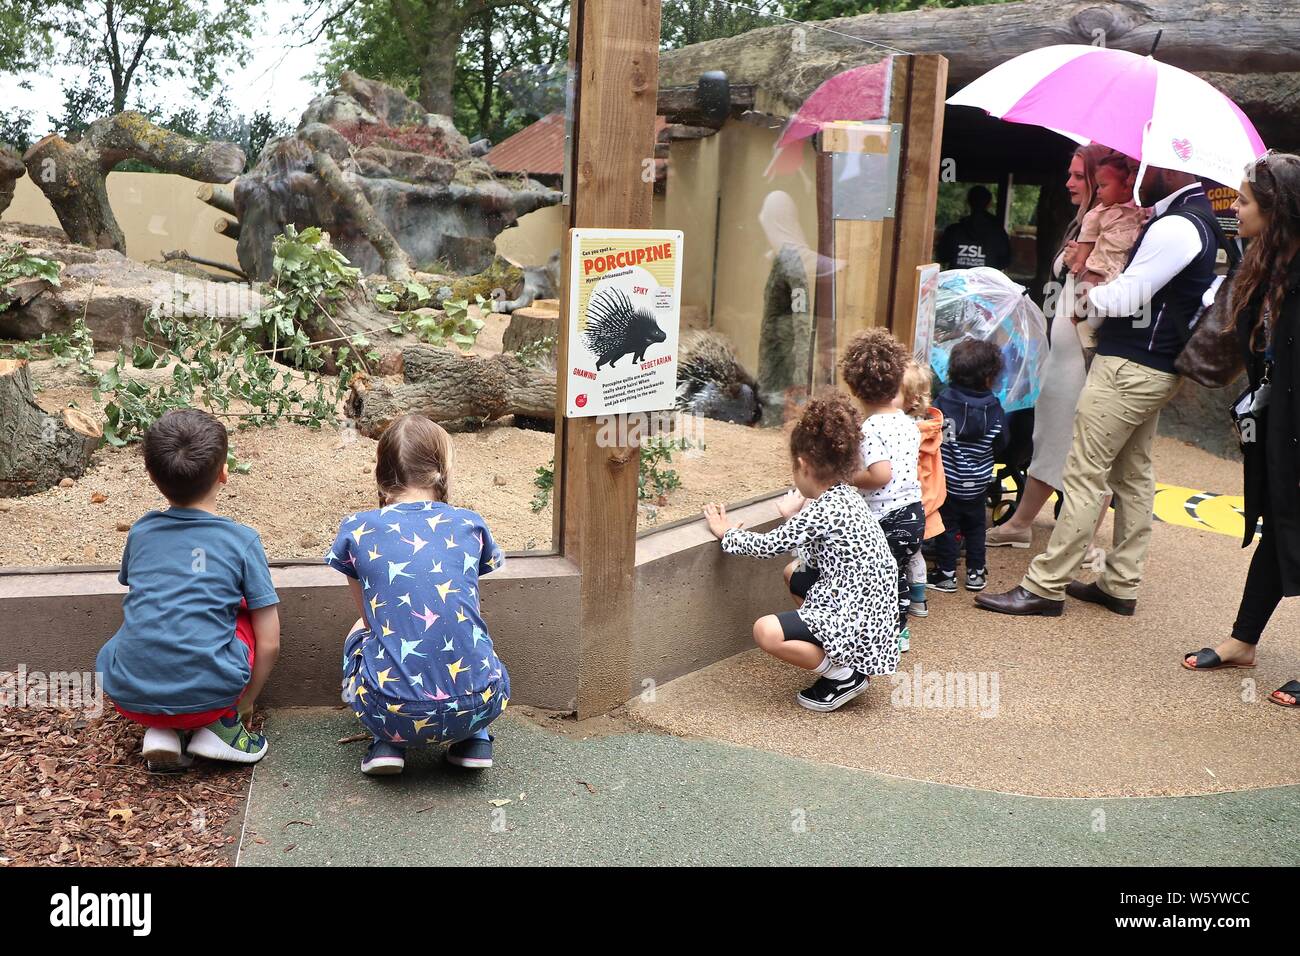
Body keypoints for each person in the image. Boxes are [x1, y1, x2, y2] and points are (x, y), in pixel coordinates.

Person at [977, 163, 1226, 617]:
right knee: (1132, 476)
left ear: (1171, 170)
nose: (1140, 174)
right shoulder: (1191, 218)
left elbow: (1126, 296)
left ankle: (1045, 585)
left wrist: (1087, 297)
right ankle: (1120, 582)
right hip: (1149, 365)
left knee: (1084, 471)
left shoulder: (1177, 225)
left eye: (1150, 166)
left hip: (1130, 366)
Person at [97, 409, 281, 770]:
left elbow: (154, 598)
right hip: (213, 695)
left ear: (151, 475)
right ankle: (221, 726)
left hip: (129, 694)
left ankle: (162, 730)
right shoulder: (241, 541)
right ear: (224, 472)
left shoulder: (141, 532)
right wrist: (246, 700)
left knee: (148, 622)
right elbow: (271, 641)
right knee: (245, 614)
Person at [325, 414, 509, 775]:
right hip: (481, 700)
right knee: (468, 633)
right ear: (442, 471)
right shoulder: (470, 523)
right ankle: (474, 739)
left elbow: (369, 619)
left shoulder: (356, 529)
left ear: (381, 473)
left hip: (391, 710)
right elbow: (465, 601)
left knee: (359, 632)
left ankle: (387, 742)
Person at [1181, 152, 1300, 711]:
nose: (1237, 209)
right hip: (1280, 422)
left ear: (1275, 209)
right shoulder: (1263, 264)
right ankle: (1243, 641)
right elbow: (1222, 344)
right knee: (1280, 526)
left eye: (1246, 201)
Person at [703, 394, 897, 713]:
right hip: (872, 614)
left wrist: (728, 534)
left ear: (803, 466)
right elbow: (816, 555)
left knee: (765, 631)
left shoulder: (822, 510)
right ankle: (839, 656)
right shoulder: (847, 495)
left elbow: (768, 546)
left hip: (857, 617)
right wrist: (792, 516)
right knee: (794, 574)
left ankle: (842, 674)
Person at [987, 144, 1128, 550]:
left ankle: (1079, 539)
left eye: (1080, 176)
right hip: (1062, 355)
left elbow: (1102, 296)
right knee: (1048, 438)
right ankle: (1022, 523)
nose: (1069, 182)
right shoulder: (1082, 223)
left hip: (1088, 357)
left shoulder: (1120, 226)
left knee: (1089, 449)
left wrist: (1081, 266)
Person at [840, 329, 925, 648]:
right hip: (913, 514)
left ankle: (880, 634)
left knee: (879, 578)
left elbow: (879, 475)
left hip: (886, 518)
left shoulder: (871, 427)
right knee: (897, 573)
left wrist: (845, 475)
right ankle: (898, 631)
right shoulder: (907, 421)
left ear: (854, 388)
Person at [928, 339, 1006, 593]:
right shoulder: (994, 407)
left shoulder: (943, 401)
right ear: (989, 376)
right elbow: (1002, 441)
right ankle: (975, 573)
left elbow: (932, 433)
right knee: (976, 527)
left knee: (948, 527)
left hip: (948, 479)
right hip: (979, 481)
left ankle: (946, 574)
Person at [1068, 152, 1147, 366]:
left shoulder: (1139, 211)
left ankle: (1090, 330)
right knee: (1095, 302)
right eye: (1098, 186)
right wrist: (1078, 262)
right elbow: (1085, 244)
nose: (1099, 191)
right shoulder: (1096, 214)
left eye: (1103, 186)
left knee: (1108, 305)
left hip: (1121, 268)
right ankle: (1084, 321)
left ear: (1126, 187)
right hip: (1102, 265)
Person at [896, 360, 946, 628]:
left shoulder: (902, 429)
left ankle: (900, 606)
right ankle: (919, 599)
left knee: (901, 557)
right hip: (926, 498)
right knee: (916, 553)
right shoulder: (930, 427)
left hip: (905, 500)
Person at [938, 184, 1012, 270]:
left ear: (968, 201)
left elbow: (942, 256)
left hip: (958, 281)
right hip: (986, 281)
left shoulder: (953, 231)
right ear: (989, 204)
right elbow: (1005, 262)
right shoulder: (998, 233)